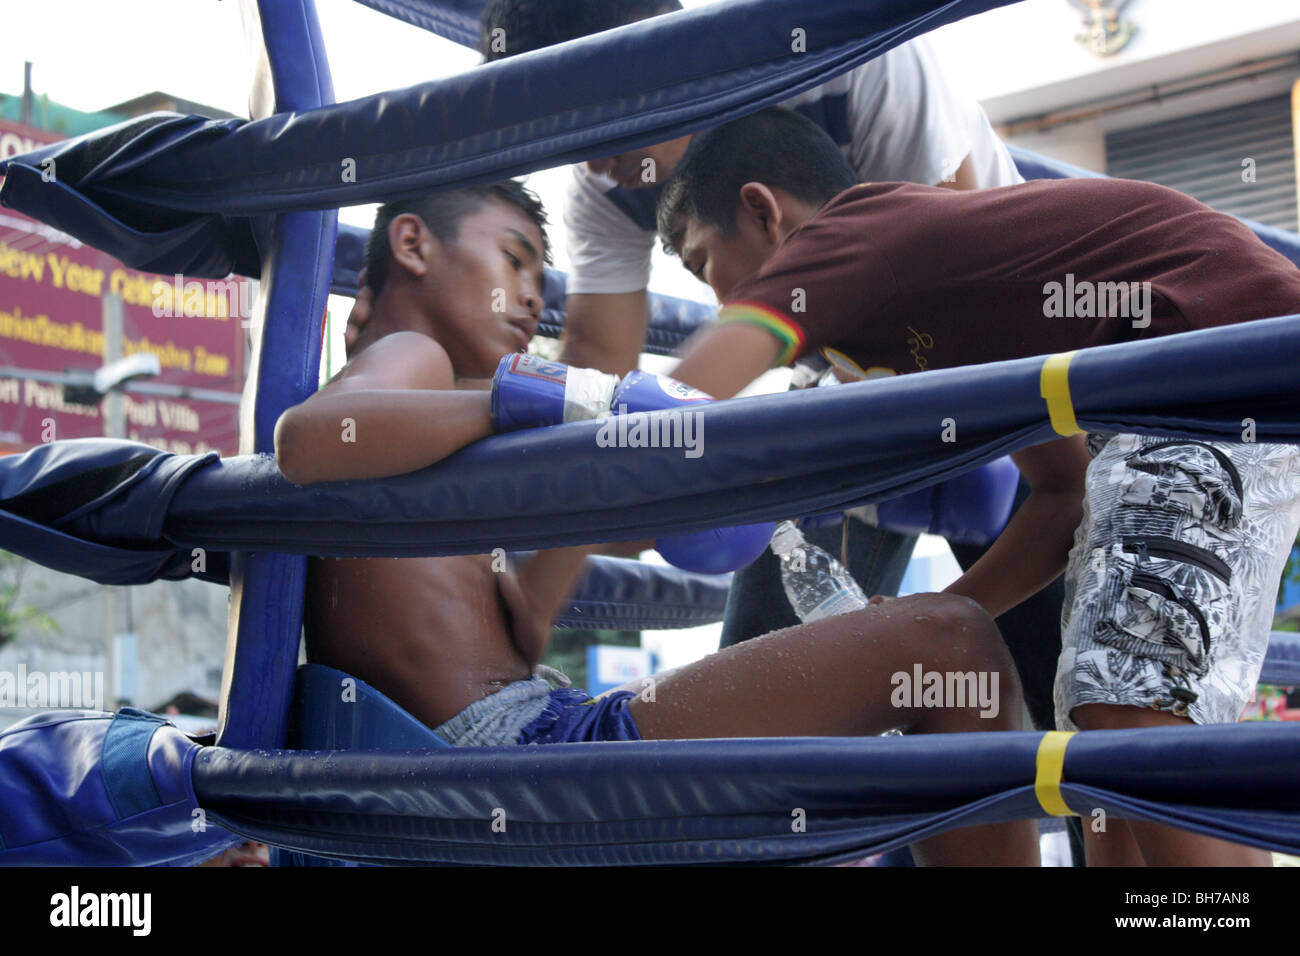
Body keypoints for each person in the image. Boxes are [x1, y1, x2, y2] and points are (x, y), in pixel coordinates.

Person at [273, 179, 1039, 866]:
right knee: (948, 642)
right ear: (412, 245)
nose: (534, 297)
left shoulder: (434, 441)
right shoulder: (410, 357)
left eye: (540, 274)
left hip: (523, 747)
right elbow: (306, 439)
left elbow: (491, 633)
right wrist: (552, 398)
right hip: (515, 762)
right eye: (514, 260)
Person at [653, 106, 1300, 866]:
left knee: (1128, 706)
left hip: (1211, 372)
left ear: (762, 212)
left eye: (703, 265)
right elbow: (1062, 497)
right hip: (1197, 392)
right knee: (1103, 749)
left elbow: (682, 408)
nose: (713, 300)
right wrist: (943, 610)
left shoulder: (849, 235)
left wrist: (566, 456)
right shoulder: (933, 308)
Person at [475, 0, 1070, 760]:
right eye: (562, 138)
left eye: (586, 121)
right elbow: (603, 380)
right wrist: (539, 592)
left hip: (1008, 365)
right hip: (844, 397)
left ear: (648, 57)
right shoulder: (606, 185)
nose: (587, 159)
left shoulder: (848, 50)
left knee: (1085, 683)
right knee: (771, 687)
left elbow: (954, 275)